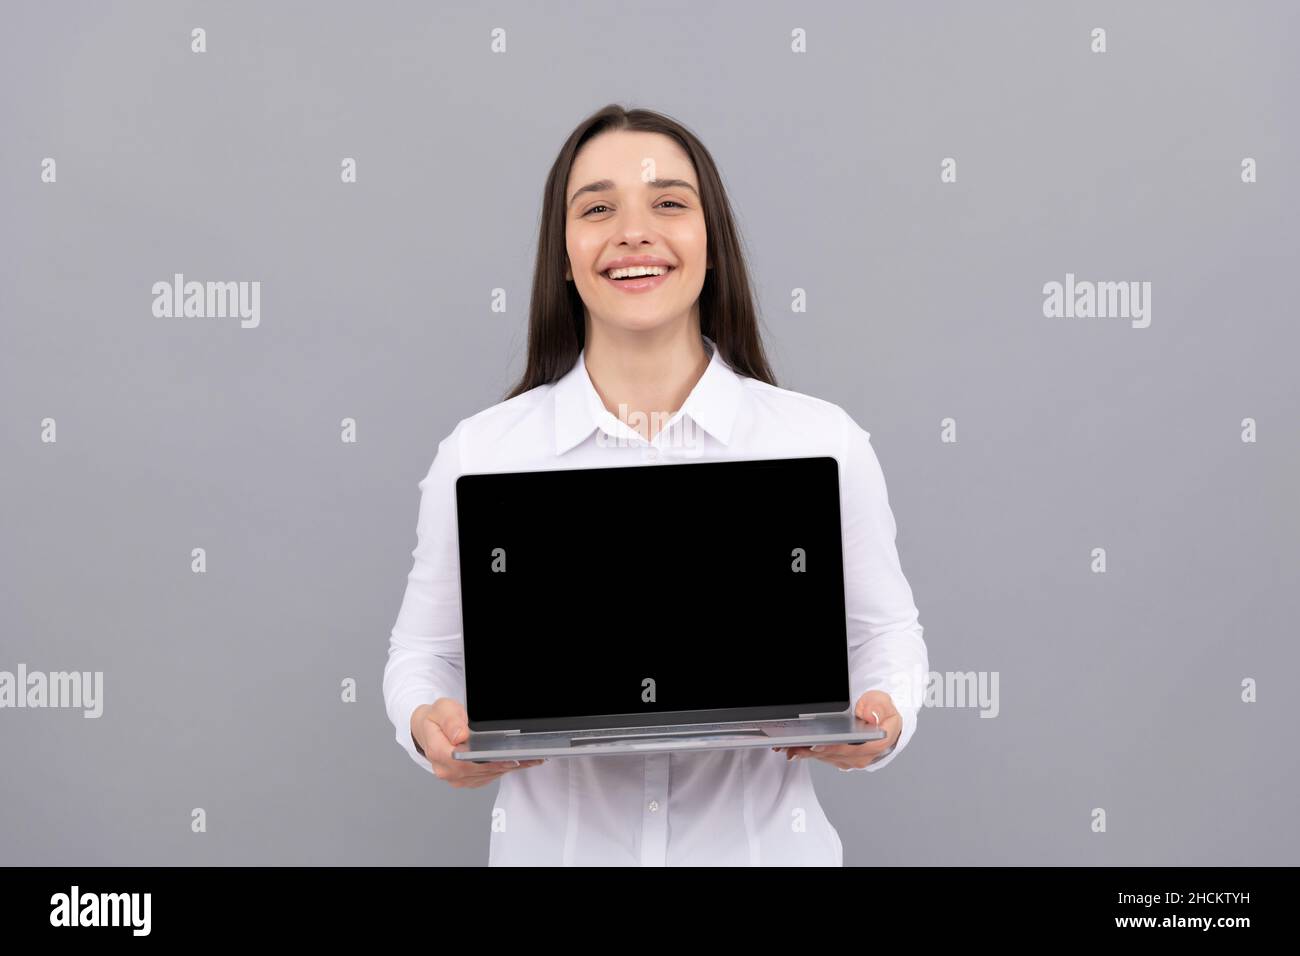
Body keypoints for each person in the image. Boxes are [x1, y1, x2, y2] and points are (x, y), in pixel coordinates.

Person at [383, 104, 929, 866]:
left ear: (711, 246)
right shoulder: (481, 452)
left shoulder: (822, 440)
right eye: (598, 208)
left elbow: (885, 635)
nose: (634, 231)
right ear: (564, 257)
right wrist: (425, 724)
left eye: (669, 203)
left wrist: (886, 714)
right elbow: (423, 654)